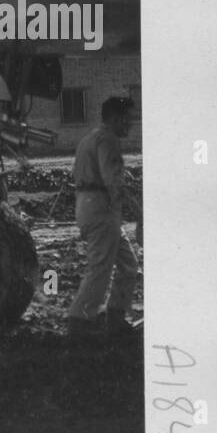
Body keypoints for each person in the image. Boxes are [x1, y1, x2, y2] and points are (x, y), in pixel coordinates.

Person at [66, 96, 140, 336]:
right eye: (128, 119)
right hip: (100, 209)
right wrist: (139, 213)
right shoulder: (108, 140)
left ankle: (116, 316)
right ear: (117, 118)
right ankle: (80, 321)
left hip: (91, 205)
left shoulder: (90, 137)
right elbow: (114, 183)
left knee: (128, 264)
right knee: (100, 268)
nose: (131, 124)